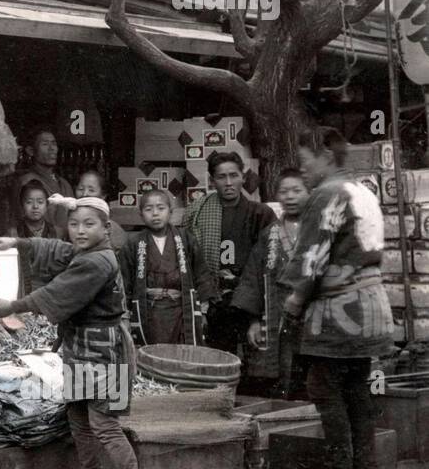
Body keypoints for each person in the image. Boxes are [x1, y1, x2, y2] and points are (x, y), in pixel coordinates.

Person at [0, 197, 146, 469]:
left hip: (105, 351)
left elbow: (57, 292)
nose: (80, 231)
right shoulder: (85, 252)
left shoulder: (98, 262)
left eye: (89, 224)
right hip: (83, 347)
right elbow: (57, 250)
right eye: (74, 224)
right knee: (79, 418)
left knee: (104, 423)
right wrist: (16, 242)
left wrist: (12, 307)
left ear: (106, 228)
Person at [279, 129, 394, 469]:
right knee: (356, 390)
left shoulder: (327, 195)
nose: (304, 171)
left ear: (326, 155)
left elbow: (312, 257)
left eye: (306, 162)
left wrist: (295, 300)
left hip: (339, 307)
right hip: (372, 302)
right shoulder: (364, 191)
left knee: (324, 387)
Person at [185, 151, 276, 353]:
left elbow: (269, 261)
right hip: (215, 299)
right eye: (221, 177)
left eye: (234, 175)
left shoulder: (260, 213)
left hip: (251, 299)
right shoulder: (199, 214)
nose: (228, 182)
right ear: (211, 181)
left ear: (243, 177)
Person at [231, 169, 311, 398]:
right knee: (281, 373)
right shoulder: (269, 235)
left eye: (297, 190)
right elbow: (253, 278)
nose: (290, 197)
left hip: (311, 314)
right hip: (277, 313)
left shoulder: (320, 231)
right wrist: (254, 321)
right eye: (284, 191)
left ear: (309, 193)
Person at [117, 188, 217, 348]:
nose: (155, 213)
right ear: (141, 215)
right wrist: (125, 315)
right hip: (148, 311)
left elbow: (201, 274)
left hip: (180, 310)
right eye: (149, 209)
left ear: (170, 212)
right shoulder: (134, 243)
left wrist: (203, 310)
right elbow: (124, 281)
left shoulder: (185, 239)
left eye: (160, 208)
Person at [16, 181, 61, 294]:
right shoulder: (13, 233)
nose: (35, 206)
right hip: (22, 288)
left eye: (40, 202)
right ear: (22, 205)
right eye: (29, 202)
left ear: (47, 205)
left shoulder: (57, 232)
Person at [18, 127, 75, 198]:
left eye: (54, 144)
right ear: (31, 151)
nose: (52, 148)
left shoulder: (64, 184)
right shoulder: (27, 181)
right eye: (45, 144)